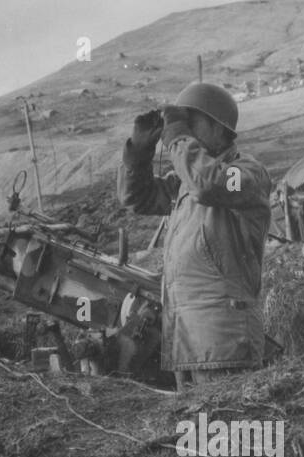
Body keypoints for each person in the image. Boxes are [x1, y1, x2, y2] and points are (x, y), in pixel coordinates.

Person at [117, 82, 272, 390]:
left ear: (219, 128)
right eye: (180, 123)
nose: (182, 130)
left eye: (190, 122)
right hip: (186, 340)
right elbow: (136, 198)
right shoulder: (184, 184)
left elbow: (208, 183)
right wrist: (139, 152)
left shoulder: (246, 173)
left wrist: (177, 137)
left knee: (225, 420)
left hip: (224, 343)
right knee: (196, 422)